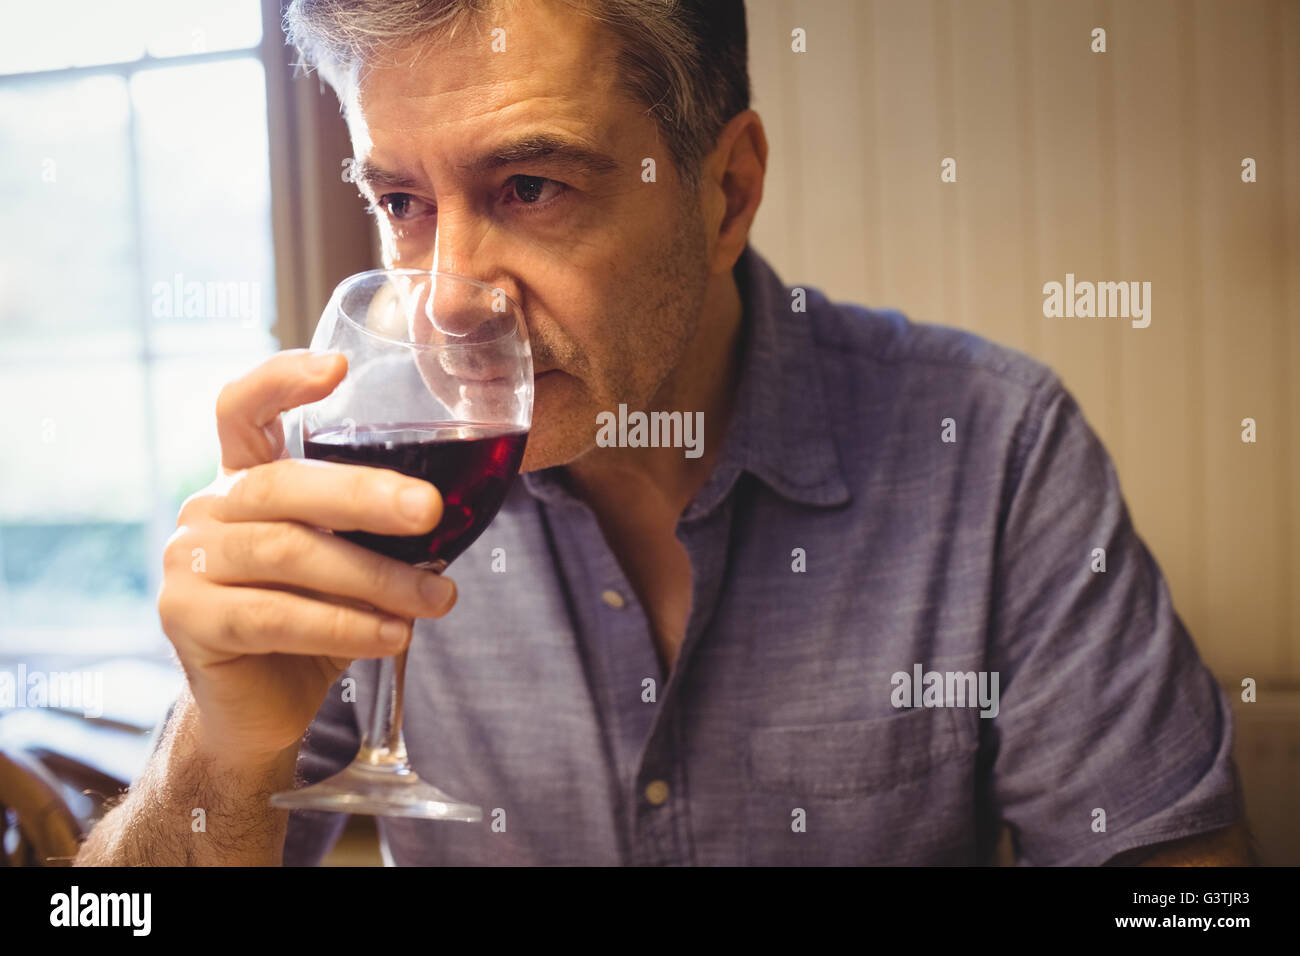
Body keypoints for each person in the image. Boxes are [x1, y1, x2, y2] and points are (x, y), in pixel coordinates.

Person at [75, 0, 1249, 866]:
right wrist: (220, 756)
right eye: (402, 203)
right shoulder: (362, 474)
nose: (447, 299)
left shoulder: (991, 450)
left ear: (725, 191)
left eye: (531, 185)